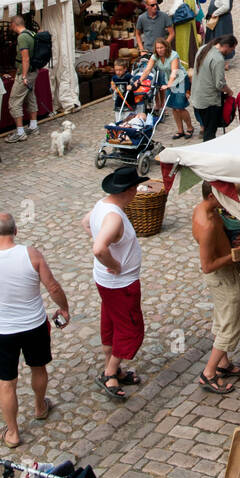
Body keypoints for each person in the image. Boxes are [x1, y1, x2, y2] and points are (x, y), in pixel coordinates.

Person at [0, 211, 68, 446]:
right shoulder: (31, 254)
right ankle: (39, 406)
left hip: (2, 331)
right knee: (38, 367)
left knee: (7, 382)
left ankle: (13, 432)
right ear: (15, 231)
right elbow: (52, 286)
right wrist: (64, 308)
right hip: (34, 325)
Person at [83, 165, 147, 401]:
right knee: (129, 326)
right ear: (128, 190)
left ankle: (113, 367)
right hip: (120, 284)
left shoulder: (103, 205)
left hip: (106, 281)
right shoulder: (114, 216)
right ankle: (110, 372)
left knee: (111, 321)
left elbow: (85, 222)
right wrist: (116, 264)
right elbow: (99, 248)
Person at [192, 183, 240, 394]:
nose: (229, 198)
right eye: (224, 195)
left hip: (225, 273)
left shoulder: (206, 209)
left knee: (221, 316)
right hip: (222, 276)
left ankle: (223, 364)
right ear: (210, 196)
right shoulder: (206, 224)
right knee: (230, 323)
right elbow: (207, 266)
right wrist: (236, 254)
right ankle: (208, 373)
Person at [143, 38, 194, 139]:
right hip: (168, 82)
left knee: (180, 107)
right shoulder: (155, 57)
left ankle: (190, 127)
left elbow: (174, 72)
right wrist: (139, 80)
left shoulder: (173, 55)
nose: (159, 50)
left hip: (180, 81)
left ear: (166, 47)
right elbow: (147, 69)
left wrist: (169, 85)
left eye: (161, 47)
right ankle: (180, 130)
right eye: (157, 48)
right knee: (174, 108)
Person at [191, 35, 237, 140]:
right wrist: (229, 91)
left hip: (197, 97)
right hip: (209, 101)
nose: (231, 52)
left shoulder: (204, 48)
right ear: (226, 46)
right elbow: (220, 84)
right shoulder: (218, 59)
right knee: (210, 133)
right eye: (232, 49)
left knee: (207, 128)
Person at [6, 16, 39, 142]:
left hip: (25, 72)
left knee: (14, 102)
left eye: (10, 24)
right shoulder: (31, 33)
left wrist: (23, 75)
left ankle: (20, 132)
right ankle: (33, 125)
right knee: (30, 97)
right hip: (33, 71)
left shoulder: (22, 37)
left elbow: (25, 58)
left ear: (14, 24)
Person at [171, 0, 201, 67]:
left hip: (181, 25)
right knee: (191, 44)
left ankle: (182, 64)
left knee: (181, 44)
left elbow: (173, 11)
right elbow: (196, 12)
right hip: (191, 25)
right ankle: (191, 63)